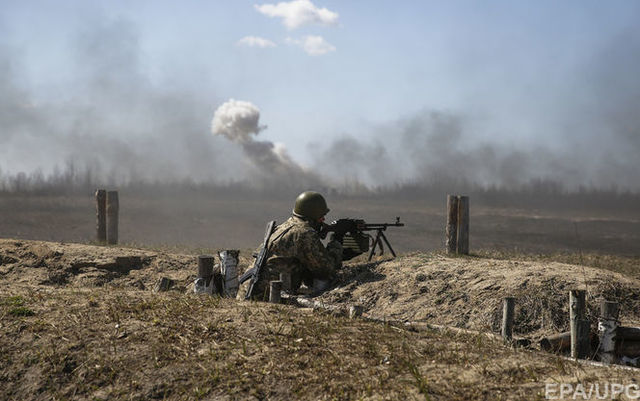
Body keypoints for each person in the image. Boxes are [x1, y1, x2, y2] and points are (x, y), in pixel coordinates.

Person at [238, 191, 343, 300]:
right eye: (321, 216)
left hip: (245, 291)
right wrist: (336, 244)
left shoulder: (285, 226)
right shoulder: (304, 233)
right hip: (261, 296)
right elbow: (326, 269)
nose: (323, 220)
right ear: (312, 215)